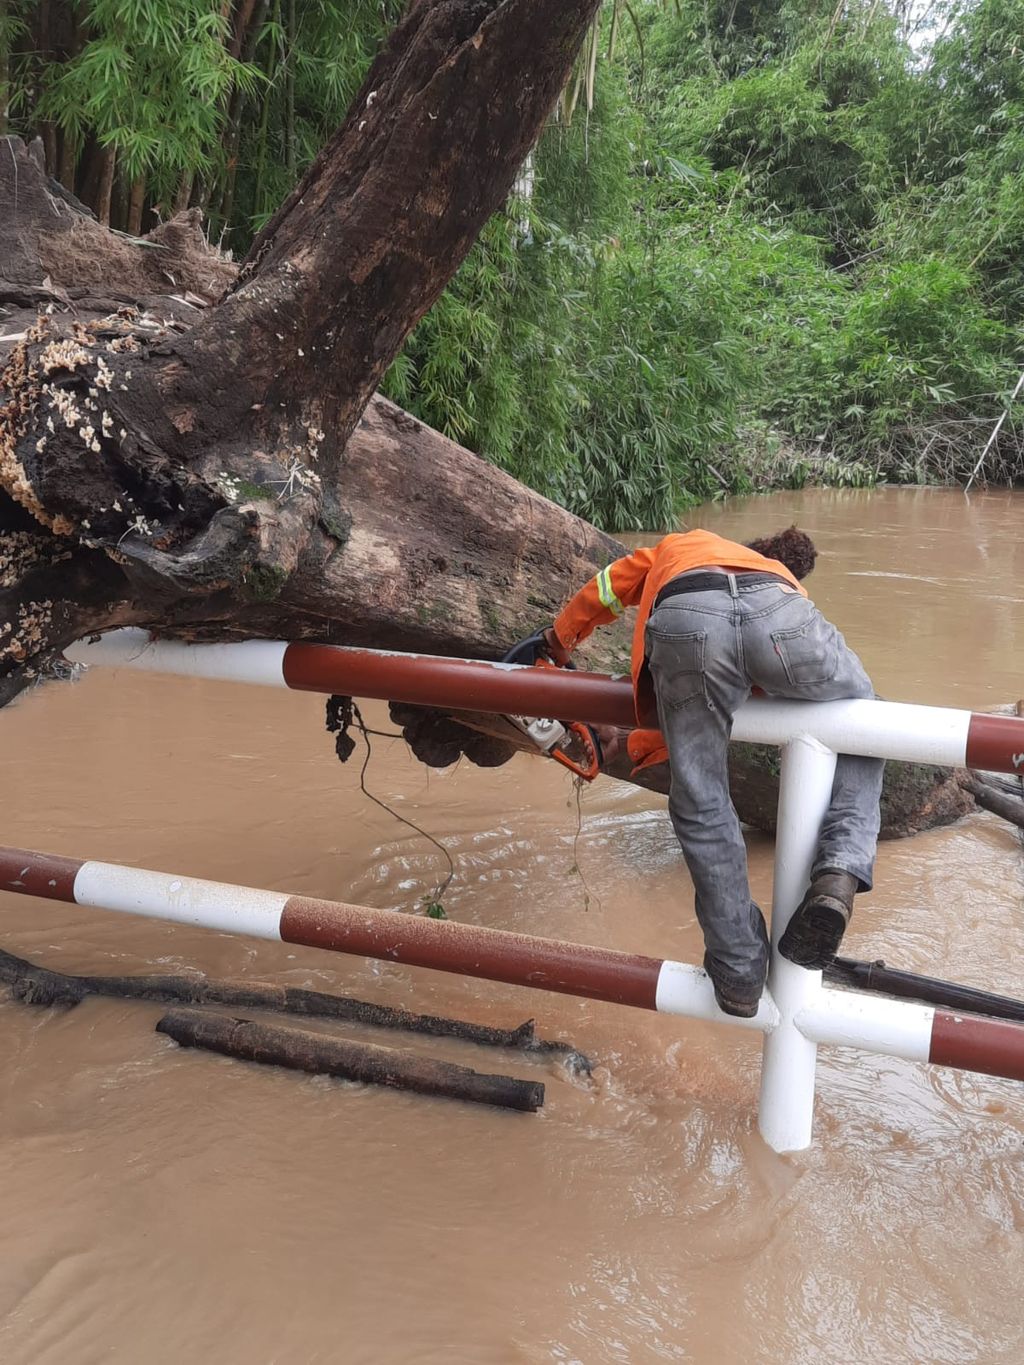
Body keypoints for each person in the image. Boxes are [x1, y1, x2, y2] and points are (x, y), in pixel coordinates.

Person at [541, 527, 883, 1018]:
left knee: (701, 800)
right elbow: (750, 659)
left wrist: (559, 639)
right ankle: (840, 870)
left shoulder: (687, 543)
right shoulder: (781, 579)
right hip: (782, 620)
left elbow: (609, 587)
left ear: (752, 543)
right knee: (869, 717)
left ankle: (739, 970)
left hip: (687, 617)